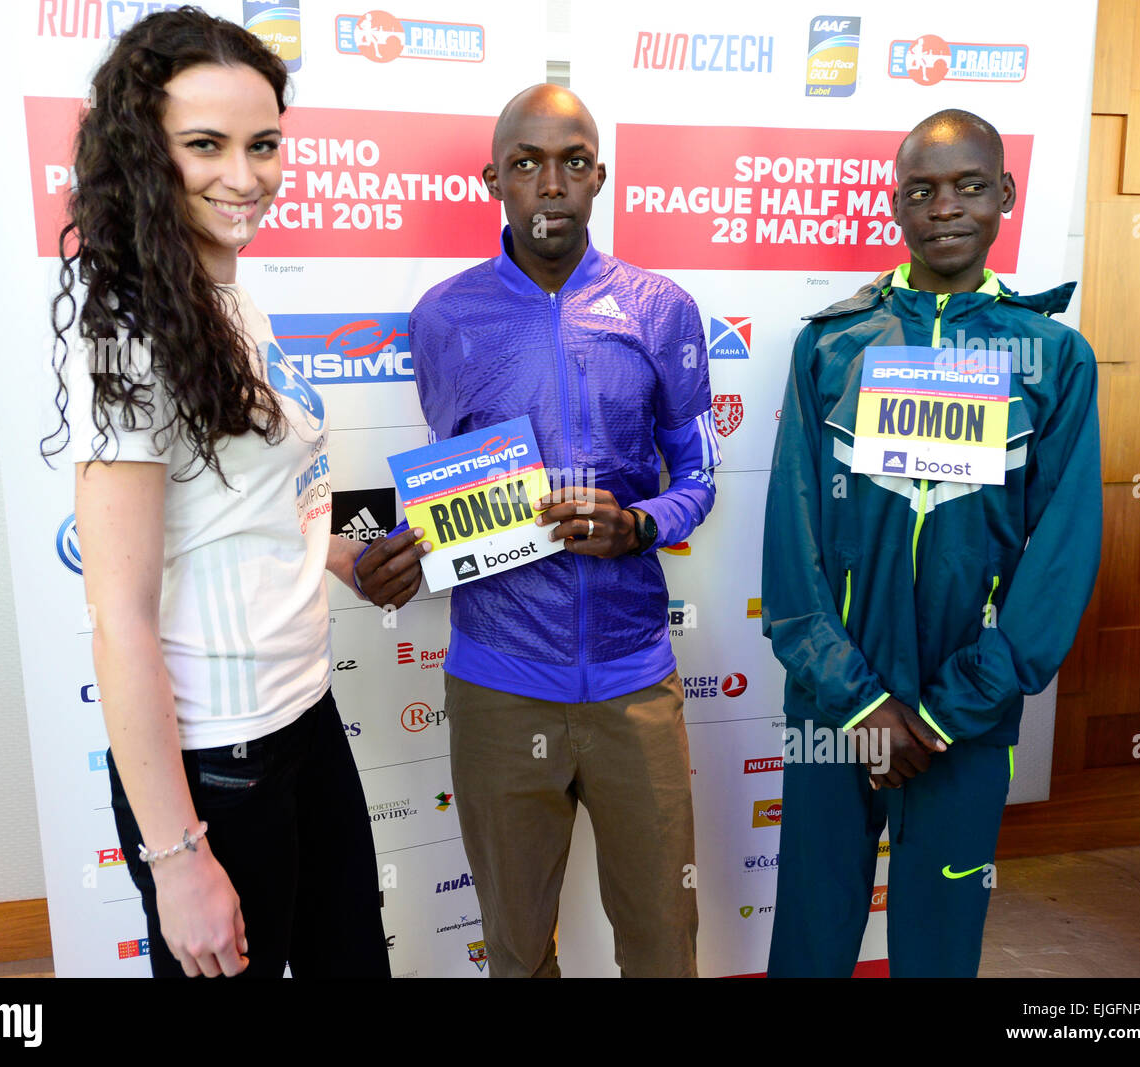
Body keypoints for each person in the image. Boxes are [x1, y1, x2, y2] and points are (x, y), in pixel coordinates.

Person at [44, 8, 424, 978]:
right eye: (205, 146)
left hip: (303, 714)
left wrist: (343, 553)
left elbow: (250, 507)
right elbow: (118, 617)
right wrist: (177, 861)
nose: (245, 176)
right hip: (222, 756)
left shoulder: (226, 292)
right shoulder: (129, 336)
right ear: (142, 153)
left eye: (264, 146)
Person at [762, 109, 1101, 977]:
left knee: (942, 939)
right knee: (812, 921)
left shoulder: (1053, 356)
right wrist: (859, 701)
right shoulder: (832, 345)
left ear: (1006, 196)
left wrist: (956, 705)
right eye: (923, 190)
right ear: (897, 205)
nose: (945, 207)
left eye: (969, 186)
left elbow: (1059, 554)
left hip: (968, 704)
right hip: (841, 701)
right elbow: (791, 540)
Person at [393, 83, 719, 977]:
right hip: (498, 682)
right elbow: (448, 486)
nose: (551, 183)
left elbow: (699, 478)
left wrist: (640, 523)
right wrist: (401, 546)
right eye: (528, 163)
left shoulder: (662, 310)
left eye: (573, 163)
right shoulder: (443, 316)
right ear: (493, 176)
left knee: (661, 940)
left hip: (632, 680)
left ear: (599, 177)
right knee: (515, 946)